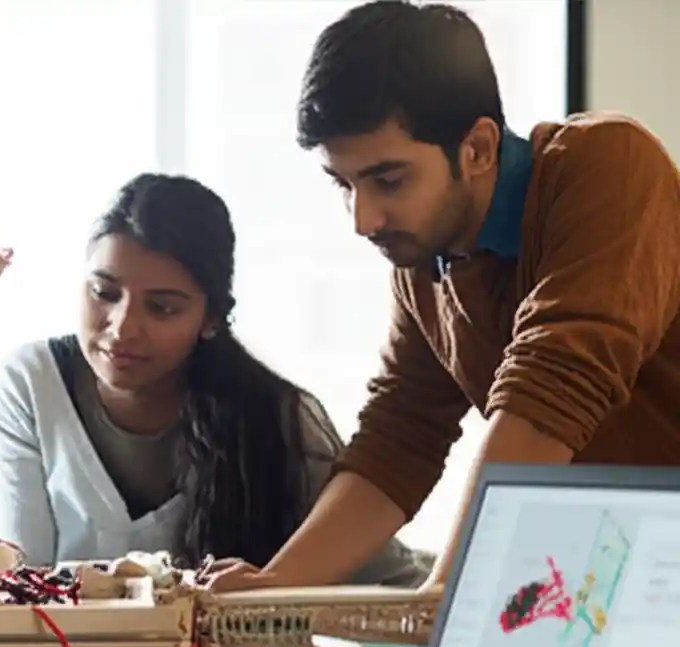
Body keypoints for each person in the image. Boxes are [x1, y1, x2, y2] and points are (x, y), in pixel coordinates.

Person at [199, 0, 680, 594]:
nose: (363, 219)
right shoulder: (425, 257)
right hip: (615, 580)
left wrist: (447, 600)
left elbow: (552, 385)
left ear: (477, 148)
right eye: (342, 184)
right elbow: (400, 438)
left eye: (388, 180)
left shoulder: (610, 165)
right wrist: (276, 590)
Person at [0, 172, 432, 588]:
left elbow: (393, 581)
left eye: (161, 308)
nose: (122, 327)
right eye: (104, 293)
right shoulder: (32, 384)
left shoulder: (278, 420)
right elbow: (21, 585)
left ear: (211, 318)